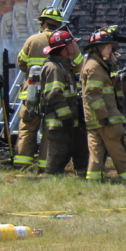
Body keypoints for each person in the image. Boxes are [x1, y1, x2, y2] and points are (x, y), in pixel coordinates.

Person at [14, 7, 82, 169]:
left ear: (43, 23)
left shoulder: (32, 40)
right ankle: (45, 166)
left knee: (27, 129)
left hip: (31, 92)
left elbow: (21, 64)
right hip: (56, 94)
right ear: (59, 24)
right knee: (49, 132)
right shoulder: (66, 41)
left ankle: (22, 165)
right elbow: (79, 65)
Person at [80, 30, 126, 182]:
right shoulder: (95, 67)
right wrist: (104, 116)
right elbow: (92, 94)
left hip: (95, 119)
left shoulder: (97, 65)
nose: (110, 50)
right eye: (107, 47)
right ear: (98, 48)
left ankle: (94, 181)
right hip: (106, 118)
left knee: (97, 151)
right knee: (121, 147)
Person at [38, 30, 88, 177]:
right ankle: (52, 179)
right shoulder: (54, 68)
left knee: (77, 149)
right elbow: (53, 94)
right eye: (71, 43)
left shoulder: (64, 65)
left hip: (69, 118)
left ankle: (82, 176)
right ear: (64, 48)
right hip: (59, 120)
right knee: (57, 153)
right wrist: (65, 117)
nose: (74, 45)